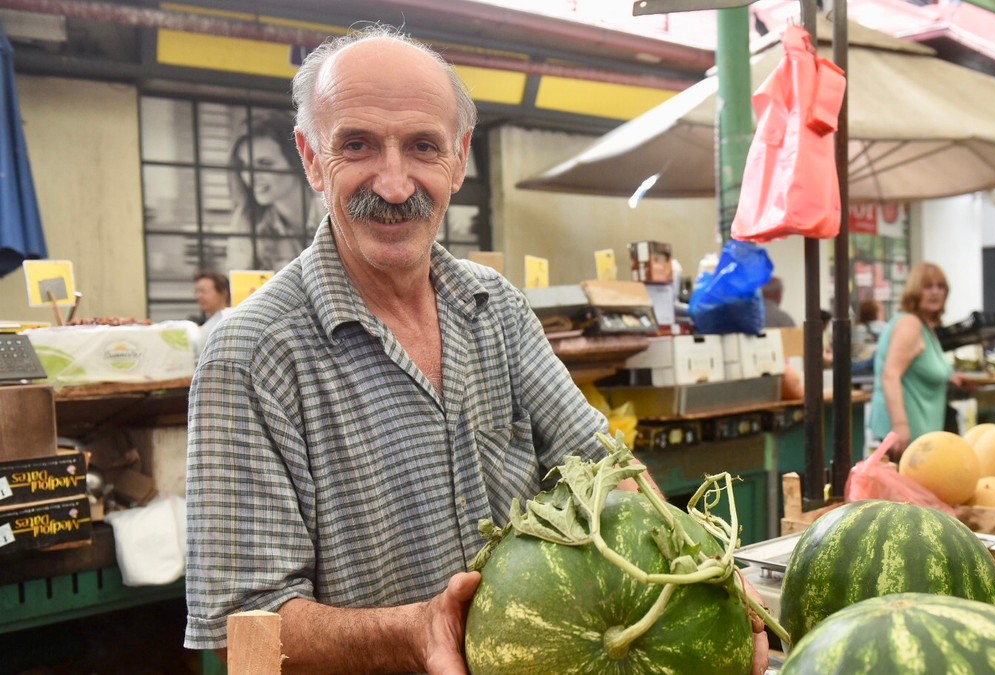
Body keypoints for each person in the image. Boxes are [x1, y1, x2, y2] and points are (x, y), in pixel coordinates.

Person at [183, 27, 765, 674]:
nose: (397, 183)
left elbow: (609, 472)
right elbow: (244, 630)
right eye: (357, 145)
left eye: (423, 146)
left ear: (459, 160)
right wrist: (416, 631)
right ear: (312, 157)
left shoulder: (498, 310)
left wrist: (701, 582)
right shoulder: (248, 355)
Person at [868, 262, 971, 457]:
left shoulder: (925, 326)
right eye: (928, 286)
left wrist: (950, 376)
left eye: (940, 287)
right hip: (906, 437)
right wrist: (900, 425)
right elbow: (890, 374)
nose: (935, 292)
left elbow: (922, 366)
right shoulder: (910, 324)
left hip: (922, 434)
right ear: (915, 290)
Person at [224, 109, 325, 272]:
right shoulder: (247, 220)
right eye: (244, 166)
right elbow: (240, 283)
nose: (251, 176)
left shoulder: (331, 209)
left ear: (296, 162)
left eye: (264, 164)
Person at [192, 270, 230, 349]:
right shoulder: (198, 323)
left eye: (204, 291)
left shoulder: (229, 325)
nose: (198, 296)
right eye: (197, 291)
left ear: (223, 293)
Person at [850, 298, 885, 375]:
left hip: (857, 366)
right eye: (881, 311)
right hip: (863, 365)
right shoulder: (883, 327)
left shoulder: (857, 328)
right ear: (877, 313)